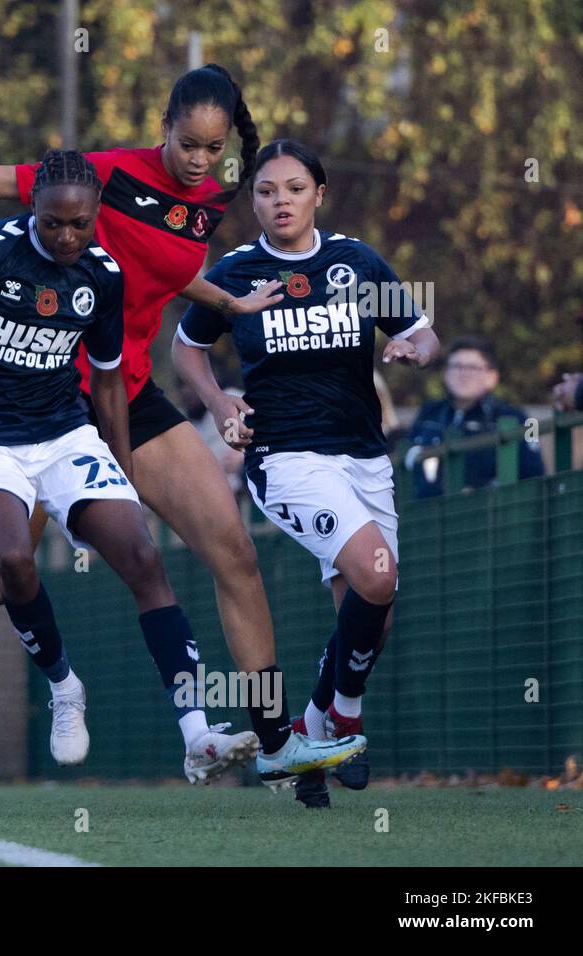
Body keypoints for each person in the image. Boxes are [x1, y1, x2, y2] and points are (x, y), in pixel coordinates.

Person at [0, 54, 345, 778]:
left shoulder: (211, 193)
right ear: (162, 127)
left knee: (233, 551)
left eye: (214, 146)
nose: (200, 159)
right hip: (49, 400)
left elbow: (160, 264)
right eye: (188, 143)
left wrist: (226, 302)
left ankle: (272, 742)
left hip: (128, 390)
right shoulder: (102, 174)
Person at [173, 139, 442, 807]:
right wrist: (218, 401)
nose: (280, 201)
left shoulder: (356, 261)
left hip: (364, 455)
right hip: (287, 458)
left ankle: (312, 729)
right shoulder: (233, 272)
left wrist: (413, 347)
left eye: (294, 188)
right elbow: (187, 349)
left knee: (371, 613)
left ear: (318, 193)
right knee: (376, 573)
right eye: (266, 192)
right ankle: (344, 715)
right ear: (254, 202)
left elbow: (425, 331)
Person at [405, 336, 544, 497]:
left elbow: (534, 475)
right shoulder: (429, 412)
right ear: (445, 373)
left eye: (472, 368)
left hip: (490, 514)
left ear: (492, 377)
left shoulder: (518, 418)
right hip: (429, 513)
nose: (464, 374)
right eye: (457, 366)